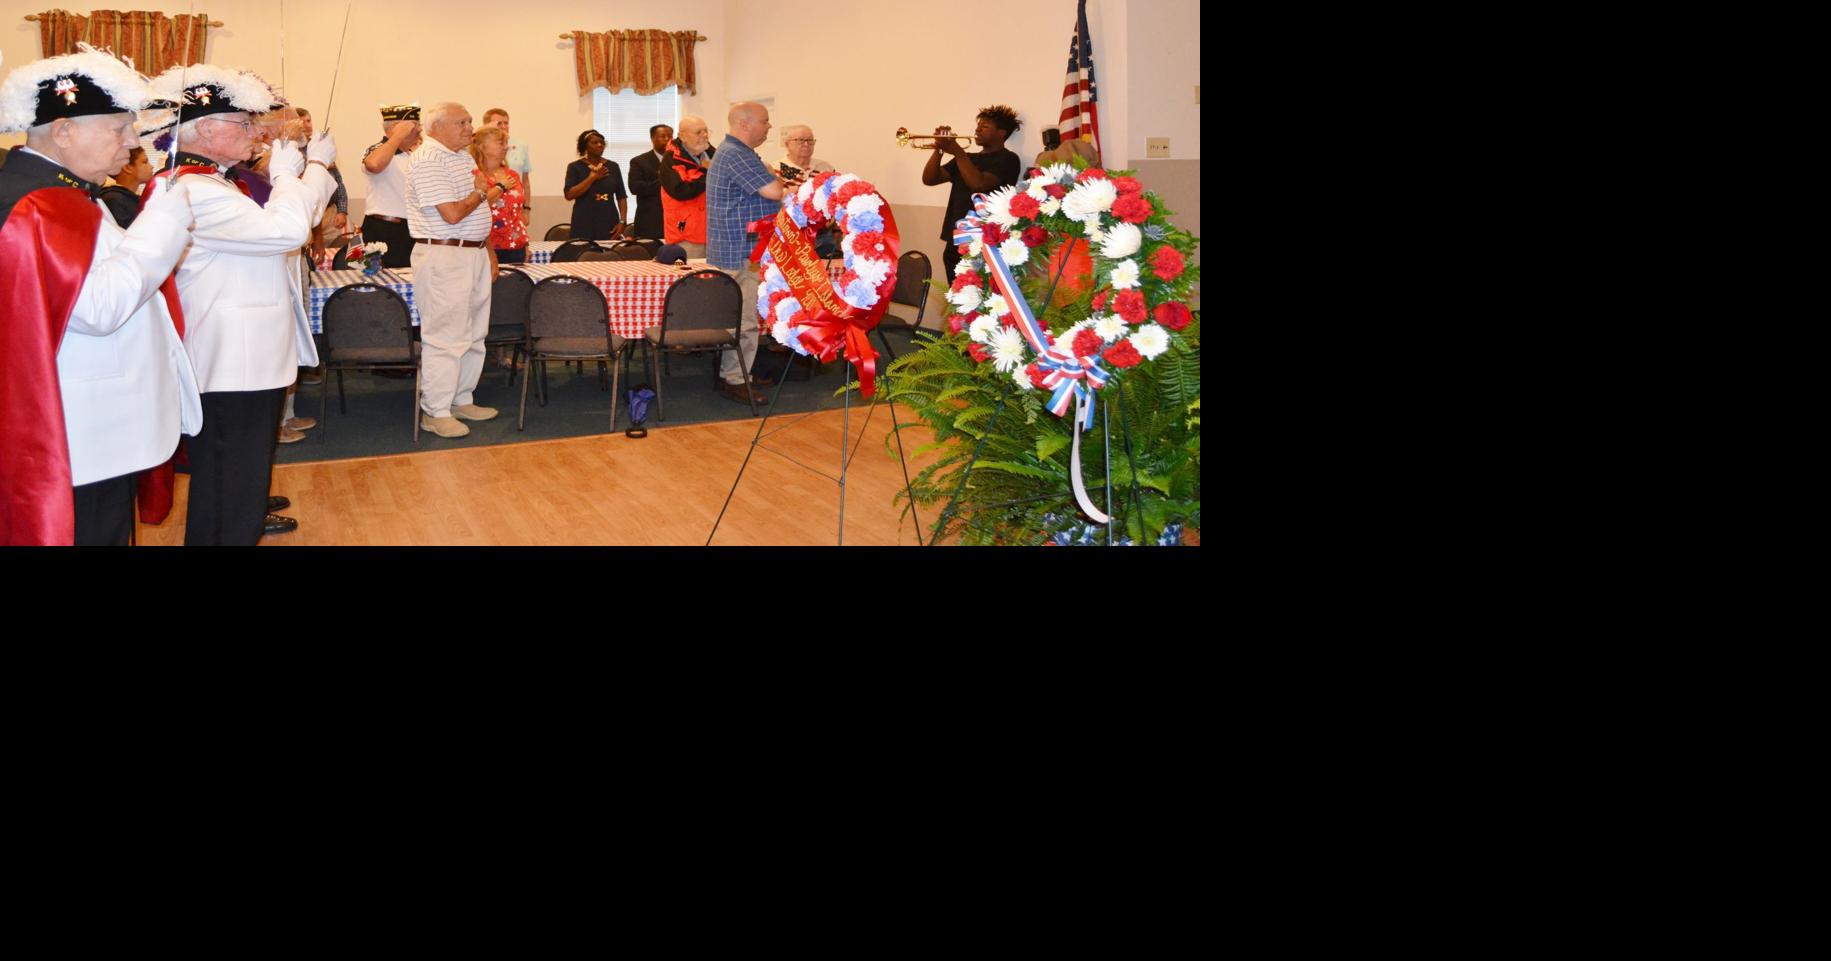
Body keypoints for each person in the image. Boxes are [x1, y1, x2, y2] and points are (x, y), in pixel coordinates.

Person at [0, 47, 201, 546]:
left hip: (94, 425)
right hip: (79, 427)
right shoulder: (35, 203)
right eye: (119, 128)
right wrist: (160, 228)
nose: (133, 143)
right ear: (64, 130)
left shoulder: (65, 191)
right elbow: (98, 308)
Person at [149, 64, 340, 544]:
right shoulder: (192, 188)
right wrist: (293, 172)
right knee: (229, 483)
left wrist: (310, 171)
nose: (255, 133)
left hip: (247, 357)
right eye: (243, 123)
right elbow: (287, 231)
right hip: (230, 359)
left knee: (241, 480)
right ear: (207, 130)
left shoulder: (215, 182)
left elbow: (296, 216)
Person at [408, 101, 502, 439]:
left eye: (469, 121)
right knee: (445, 337)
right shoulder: (428, 159)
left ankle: (461, 399)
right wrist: (481, 192)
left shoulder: (461, 156)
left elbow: (475, 210)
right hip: (444, 255)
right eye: (461, 122)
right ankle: (436, 411)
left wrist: (487, 251)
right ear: (437, 127)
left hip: (472, 253)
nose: (470, 128)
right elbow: (452, 214)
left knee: (474, 334)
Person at [705, 101, 792, 407]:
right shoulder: (737, 154)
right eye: (765, 121)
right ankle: (735, 379)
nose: (769, 126)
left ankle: (737, 372)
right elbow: (774, 191)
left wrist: (770, 175)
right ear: (744, 124)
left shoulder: (735, 153)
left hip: (739, 250)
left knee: (741, 320)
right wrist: (772, 175)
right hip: (740, 251)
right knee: (743, 322)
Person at [921, 104, 1023, 279]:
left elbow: (978, 183)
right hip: (955, 237)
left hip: (984, 239)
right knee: (955, 292)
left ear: (1001, 133)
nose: (978, 129)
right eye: (978, 125)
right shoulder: (968, 158)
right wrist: (939, 149)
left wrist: (957, 152)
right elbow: (930, 179)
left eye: (985, 126)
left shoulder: (1008, 159)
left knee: (977, 292)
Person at [361, 102, 420, 268]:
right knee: (379, 279)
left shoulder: (414, 155)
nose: (419, 130)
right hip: (384, 229)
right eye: (413, 126)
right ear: (395, 128)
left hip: (411, 230)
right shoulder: (377, 149)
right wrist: (397, 136)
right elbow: (374, 165)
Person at [658, 115, 714, 258]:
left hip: (714, 232)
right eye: (698, 132)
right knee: (691, 271)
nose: (705, 135)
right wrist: (708, 173)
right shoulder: (671, 159)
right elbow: (681, 191)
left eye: (706, 131)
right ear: (682, 136)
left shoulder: (712, 153)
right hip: (686, 234)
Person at [471, 124, 527, 266]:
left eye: (506, 143)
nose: (506, 147)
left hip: (516, 245)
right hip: (487, 246)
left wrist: (525, 243)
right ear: (482, 147)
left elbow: (518, 212)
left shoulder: (512, 174)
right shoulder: (474, 175)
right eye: (500, 143)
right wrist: (500, 187)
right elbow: (476, 205)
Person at [564, 129, 627, 241]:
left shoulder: (613, 166)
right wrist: (592, 177)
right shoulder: (575, 167)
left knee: (609, 251)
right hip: (583, 221)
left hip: (609, 220)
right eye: (595, 142)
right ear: (585, 146)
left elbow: (621, 196)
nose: (599, 145)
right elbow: (569, 195)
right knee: (583, 250)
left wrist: (622, 221)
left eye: (602, 143)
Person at [480, 107, 532, 223]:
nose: (503, 126)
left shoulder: (521, 145)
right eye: (499, 123)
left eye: (506, 123)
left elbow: (526, 181)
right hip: (490, 206)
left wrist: (526, 210)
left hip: (515, 204)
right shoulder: (479, 146)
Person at [627, 122, 671, 241]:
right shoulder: (639, 161)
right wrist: (663, 180)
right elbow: (635, 187)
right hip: (650, 221)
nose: (667, 139)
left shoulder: (678, 161)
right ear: (652, 138)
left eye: (670, 136)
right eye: (663, 136)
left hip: (675, 222)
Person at [98, 144, 152, 228]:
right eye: (145, 162)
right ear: (127, 168)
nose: (151, 166)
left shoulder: (131, 198)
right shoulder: (114, 200)